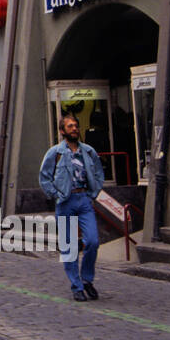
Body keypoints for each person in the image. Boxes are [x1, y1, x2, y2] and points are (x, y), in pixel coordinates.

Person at [39, 113, 106, 302]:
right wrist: (56, 194)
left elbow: (99, 173)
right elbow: (44, 177)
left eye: (76, 125)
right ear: (62, 131)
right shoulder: (55, 153)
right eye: (70, 126)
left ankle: (87, 280)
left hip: (84, 199)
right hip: (65, 201)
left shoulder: (89, 152)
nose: (74, 128)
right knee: (70, 247)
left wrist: (94, 193)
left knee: (92, 241)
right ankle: (76, 286)